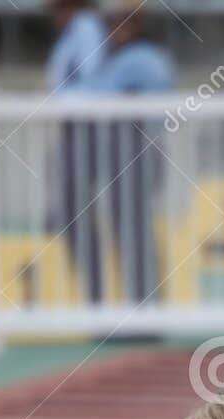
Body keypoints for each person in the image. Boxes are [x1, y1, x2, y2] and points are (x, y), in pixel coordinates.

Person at [93, 6, 174, 304]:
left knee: (135, 231)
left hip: (137, 155)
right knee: (132, 230)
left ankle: (145, 303)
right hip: (129, 156)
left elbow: (100, 98)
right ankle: (141, 300)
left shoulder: (141, 60)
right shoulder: (129, 59)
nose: (114, 30)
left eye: (121, 23)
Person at [47, 0, 107, 303]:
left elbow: (92, 81)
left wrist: (62, 105)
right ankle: (91, 292)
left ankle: (96, 295)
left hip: (84, 131)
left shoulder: (86, 28)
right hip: (72, 130)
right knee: (72, 215)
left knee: (77, 214)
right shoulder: (73, 33)